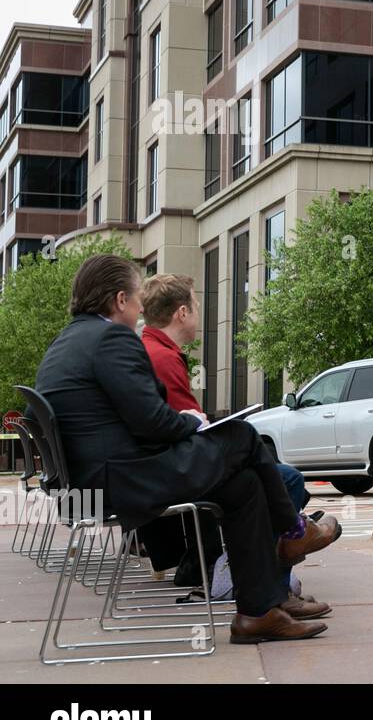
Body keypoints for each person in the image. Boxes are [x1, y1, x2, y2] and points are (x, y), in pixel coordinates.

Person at [31, 255, 339, 643]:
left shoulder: (64, 343)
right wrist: (193, 423)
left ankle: (258, 612)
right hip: (122, 481)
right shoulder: (111, 338)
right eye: (138, 297)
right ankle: (294, 532)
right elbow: (152, 422)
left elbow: (123, 420)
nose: (142, 308)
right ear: (120, 299)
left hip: (89, 487)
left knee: (243, 485)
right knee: (243, 436)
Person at [138, 273, 323, 615]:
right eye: (194, 305)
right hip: (172, 472)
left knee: (260, 469)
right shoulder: (161, 357)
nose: (196, 312)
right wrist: (203, 422)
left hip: (162, 466)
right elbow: (182, 428)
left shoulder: (154, 350)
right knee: (284, 478)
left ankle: (268, 583)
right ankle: (275, 580)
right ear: (181, 313)